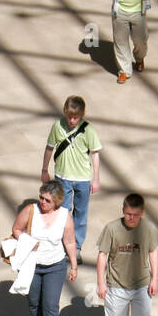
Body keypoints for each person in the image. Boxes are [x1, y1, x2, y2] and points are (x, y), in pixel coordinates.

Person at [96, 192, 158, 316]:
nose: (131, 218)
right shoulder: (112, 229)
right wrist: (101, 283)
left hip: (141, 285)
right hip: (116, 285)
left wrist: (155, 279)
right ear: (123, 211)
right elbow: (102, 256)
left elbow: (153, 253)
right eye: (127, 214)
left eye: (135, 215)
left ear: (142, 213)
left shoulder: (148, 229)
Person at [11, 182, 78, 316]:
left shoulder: (65, 216)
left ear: (57, 201)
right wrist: (26, 239)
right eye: (41, 197)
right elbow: (16, 229)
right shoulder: (30, 210)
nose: (42, 202)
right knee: (33, 302)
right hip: (32, 265)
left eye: (47, 200)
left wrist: (73, 265)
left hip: (55, 266)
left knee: (50, 305)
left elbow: (70, 242)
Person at [41, 96, 101, 263]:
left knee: (81, 213)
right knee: (63, 212)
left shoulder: (88, 130)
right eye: (70, 116)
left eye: (76, 117)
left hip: (82, 178)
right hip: (63, 177)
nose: (73, 120)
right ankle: (62, 244)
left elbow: (95, 154)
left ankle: (76, 246)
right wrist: (44, 169)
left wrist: (95, 179)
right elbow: (49, 148)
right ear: (65, 113)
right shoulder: (57, 126)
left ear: (81, 115)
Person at [112, 0, 152, 84]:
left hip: (138, 11)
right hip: (120, 10)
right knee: (120, 41)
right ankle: (124, 71)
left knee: (141, 40)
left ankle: (139, 58)